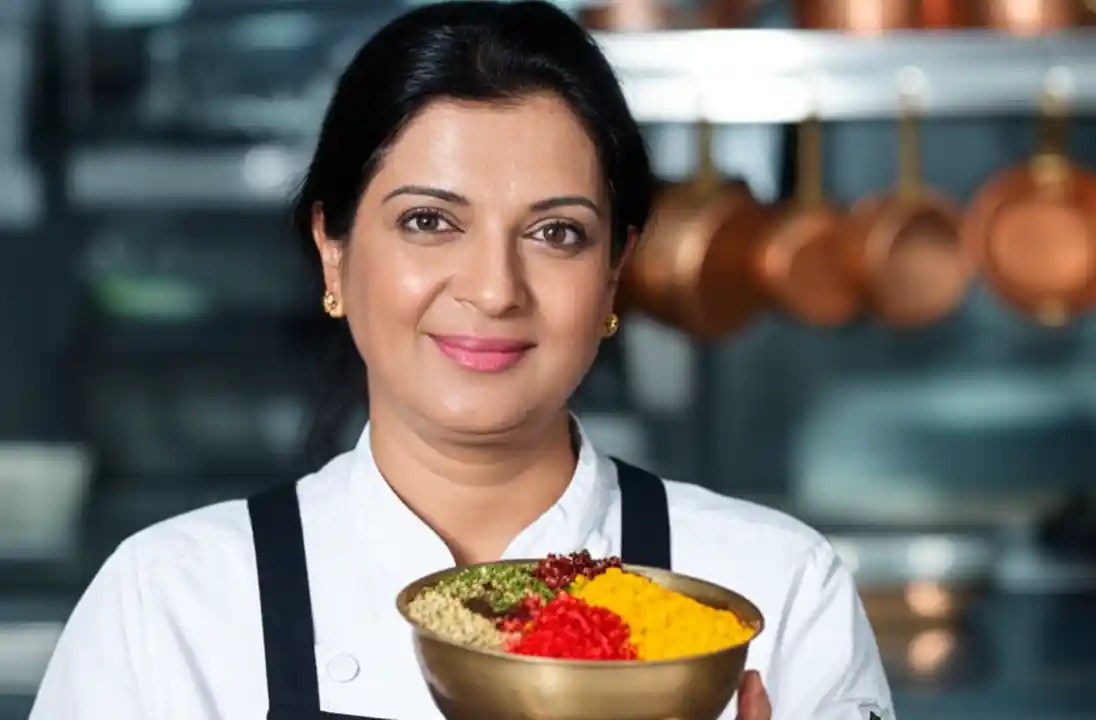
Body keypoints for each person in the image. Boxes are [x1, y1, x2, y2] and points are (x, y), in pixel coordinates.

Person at [29, 2, 893, 718]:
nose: (493, 288)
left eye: (556, 233)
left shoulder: (773, 597)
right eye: (429, 222)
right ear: (333, 250)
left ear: (615, 271)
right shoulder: (169, 607)